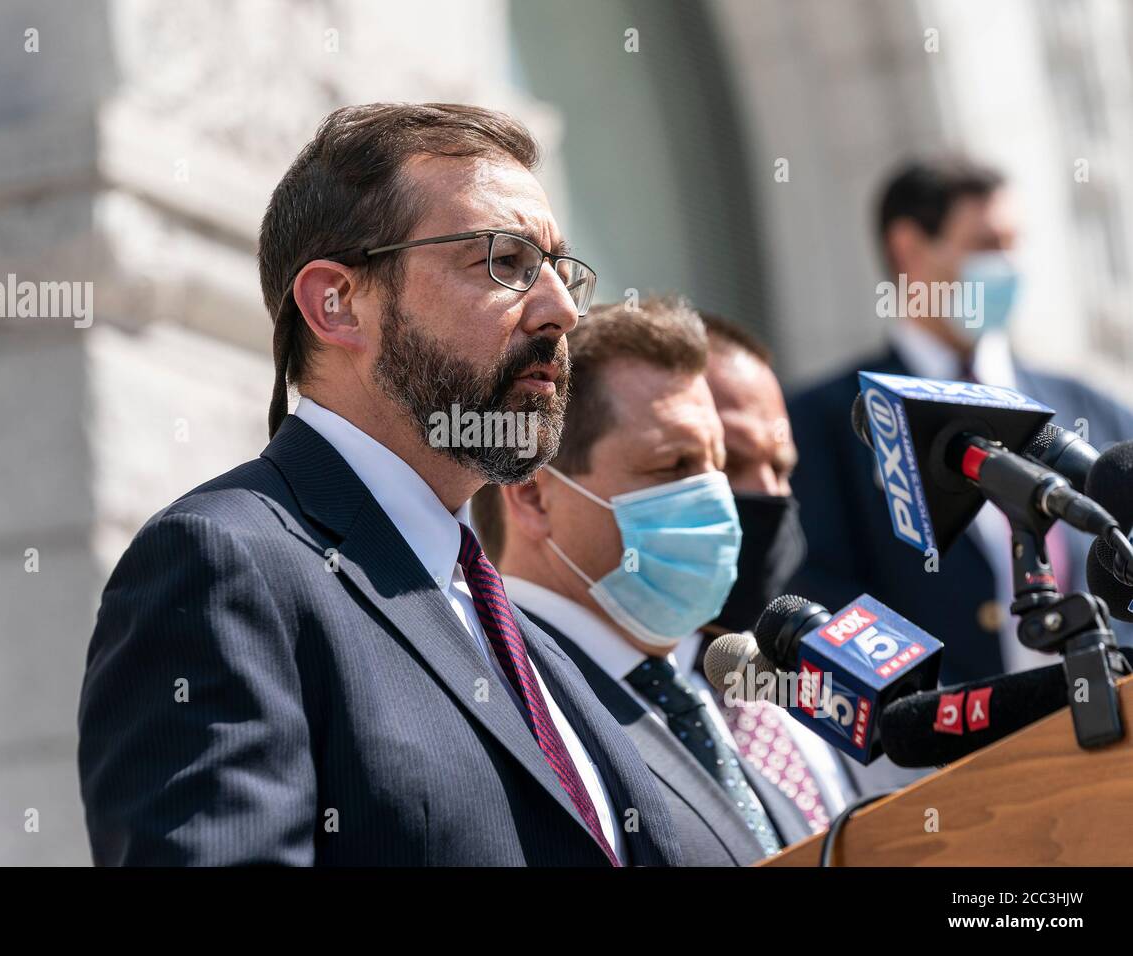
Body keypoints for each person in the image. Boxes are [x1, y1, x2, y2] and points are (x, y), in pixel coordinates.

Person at [76, 102, 701, 866]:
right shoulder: (223, 566)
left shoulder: (520, 639)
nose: (562, 310)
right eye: (504, 261)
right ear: (335, 305)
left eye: (560, 269)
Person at [471, 297, 858, 861]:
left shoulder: (715, 686)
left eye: (715, 464)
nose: (720, 499)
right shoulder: (501, 700)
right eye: (673, 467)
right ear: (533, 494)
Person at [789, 157, 1133, 686]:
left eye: (1013, 242)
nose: (1009, 265)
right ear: (908, 249)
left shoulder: (1091, 406)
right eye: (985, 244)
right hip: (947, 749)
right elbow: (819, 591)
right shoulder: (828, 422)